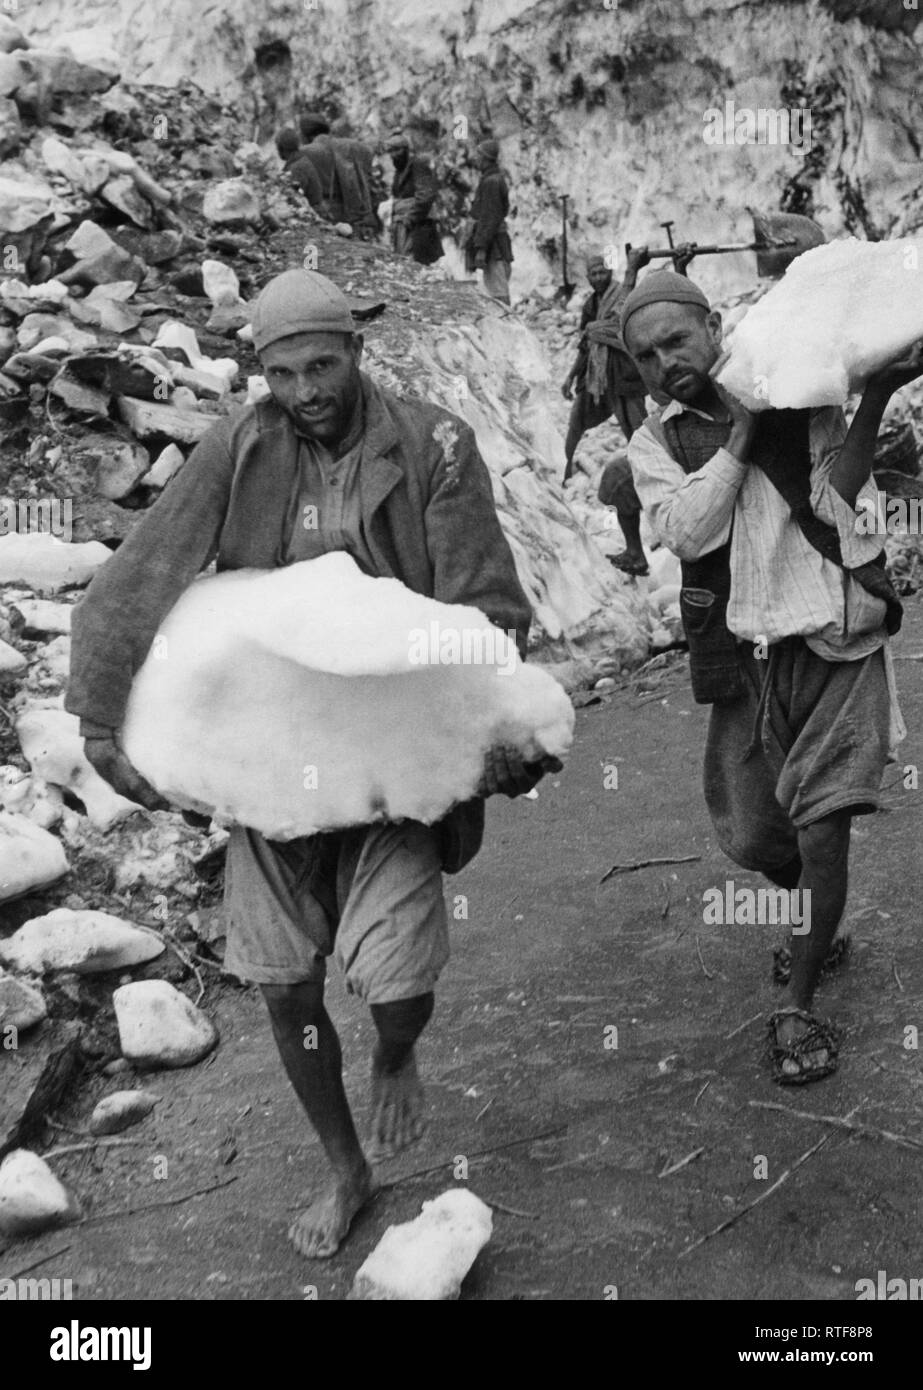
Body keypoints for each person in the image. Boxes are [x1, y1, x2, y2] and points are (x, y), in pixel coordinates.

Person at [66, 270, 559, 1257]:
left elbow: (486, 602)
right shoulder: (243, 441)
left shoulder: (430, 444)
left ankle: (396, 1052)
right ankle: (345, 1166)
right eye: (282, 370)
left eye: (321, 364)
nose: (304, 389)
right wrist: (98, 712)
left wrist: (495, 722)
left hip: (384, 764)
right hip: (273, 762)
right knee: (283, 983)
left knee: (398, 974)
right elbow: (149, 565)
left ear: (357, 351)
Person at [620, 268, 921, 1085]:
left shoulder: (794, 384)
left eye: (675, 341)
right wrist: (741, 435)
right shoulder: (654, 442)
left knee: (823, 826)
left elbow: (838, 497)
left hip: (836, 637)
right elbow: (687, 529)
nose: (663, 363)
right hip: (747, 656)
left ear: (712, 326)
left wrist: (875, 397)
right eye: (645, 356)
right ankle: (810, 918)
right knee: (757, 836)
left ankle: (798, 999)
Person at [562, 246, 652, 574]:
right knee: (576, 421)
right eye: (594, 273)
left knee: (643, 442)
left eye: (603, 271)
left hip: (626, 381)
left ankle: (649, 495)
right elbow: (587, 345)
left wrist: (597, 330)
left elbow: (618, 328)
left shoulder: (620, 295)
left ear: (610, 273)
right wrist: (572, 375)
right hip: (600, 379)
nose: (599, 277)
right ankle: (564, 469)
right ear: (588, 277)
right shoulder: (590, 304)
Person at [297, 111, 380, 239]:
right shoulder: (358, 147)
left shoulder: (306, 153)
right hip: (360, 213)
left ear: (304, 134)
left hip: (327, 214)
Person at [384, 129, 443, 265]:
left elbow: (426, 195)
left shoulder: (418, 164)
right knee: (403, 264)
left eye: (396, 150)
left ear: (405, 150)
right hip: (403, 225)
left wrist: (410, 218)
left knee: (414, 265)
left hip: (417, 225)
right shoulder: (400, 170)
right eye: (391, 152)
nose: (393, 155)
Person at [466, 138, 513, 305]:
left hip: (495, 248)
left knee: (498, 295)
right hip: (496, 245)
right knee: (495, 292)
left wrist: (481, 249)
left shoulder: (491, 182)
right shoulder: (492, 179)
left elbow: (489, 218)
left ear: (486, 158)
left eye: (478, 155)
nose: (476, 159)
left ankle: (508, 329)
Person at [276, 127, 325, 214]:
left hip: (314, 213)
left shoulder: (297, 168)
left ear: (281, 148)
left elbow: (293, 198)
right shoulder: (301, 160)